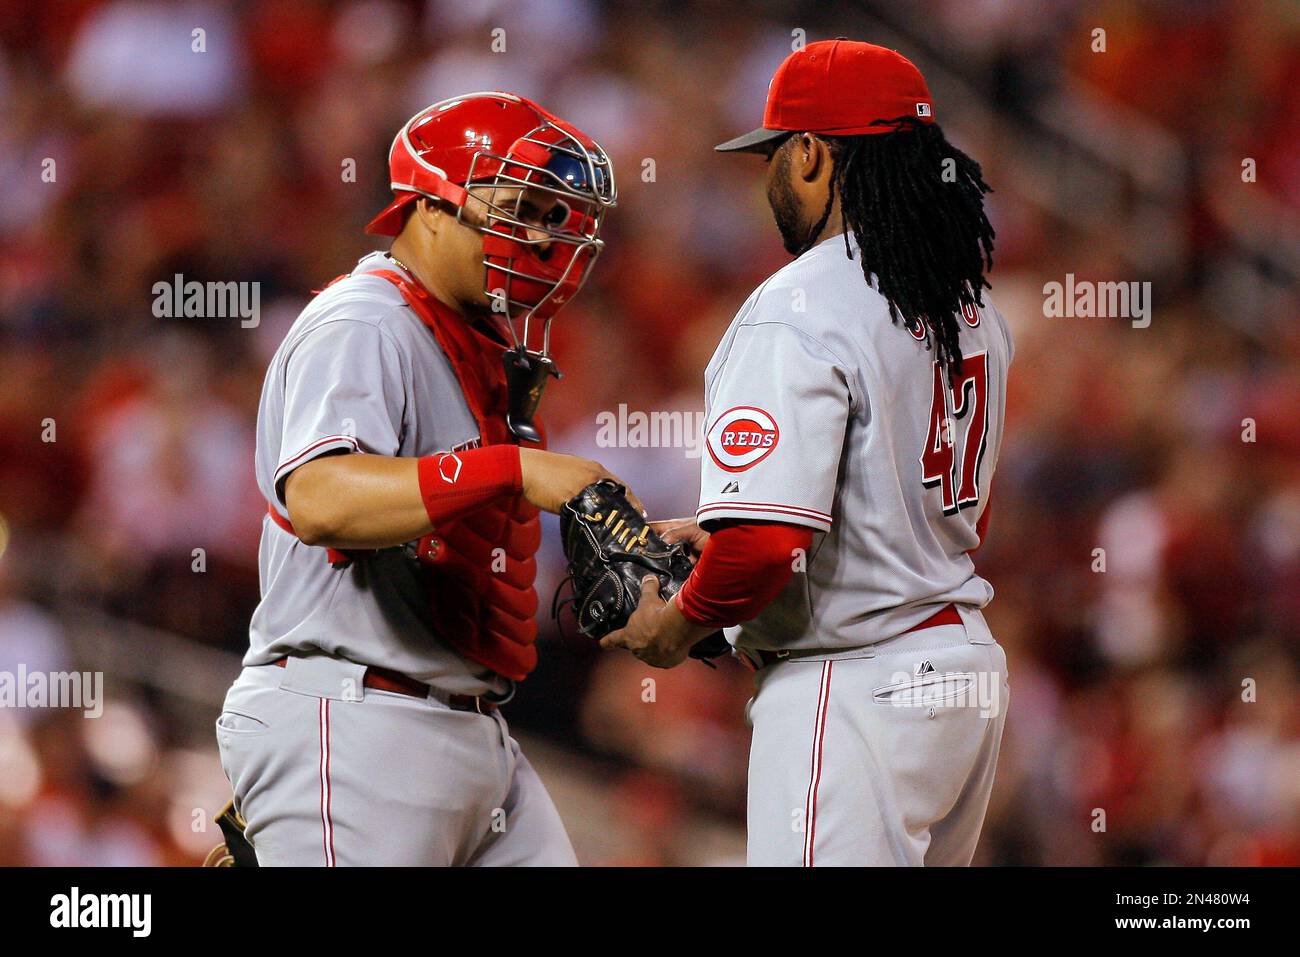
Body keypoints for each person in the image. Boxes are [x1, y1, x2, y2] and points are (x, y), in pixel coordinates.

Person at [603, 40, 1013, 866]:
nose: (768, 180)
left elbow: (765, 543)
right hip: (958, 670)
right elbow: (922, 511)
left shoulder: (796, 304)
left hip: (854, 680)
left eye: (774, 155)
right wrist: (723, 541)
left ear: (814, 154)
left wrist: (677, 627)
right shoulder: (969, 306)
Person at [215, 91, 631, 866]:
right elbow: (320, 497)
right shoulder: (367, 321)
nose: (542, 237)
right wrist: (516, 467)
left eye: (554, 214)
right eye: (521, 206)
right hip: (356, 715)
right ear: (431, 206)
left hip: (471, 728)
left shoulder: (473, 344)